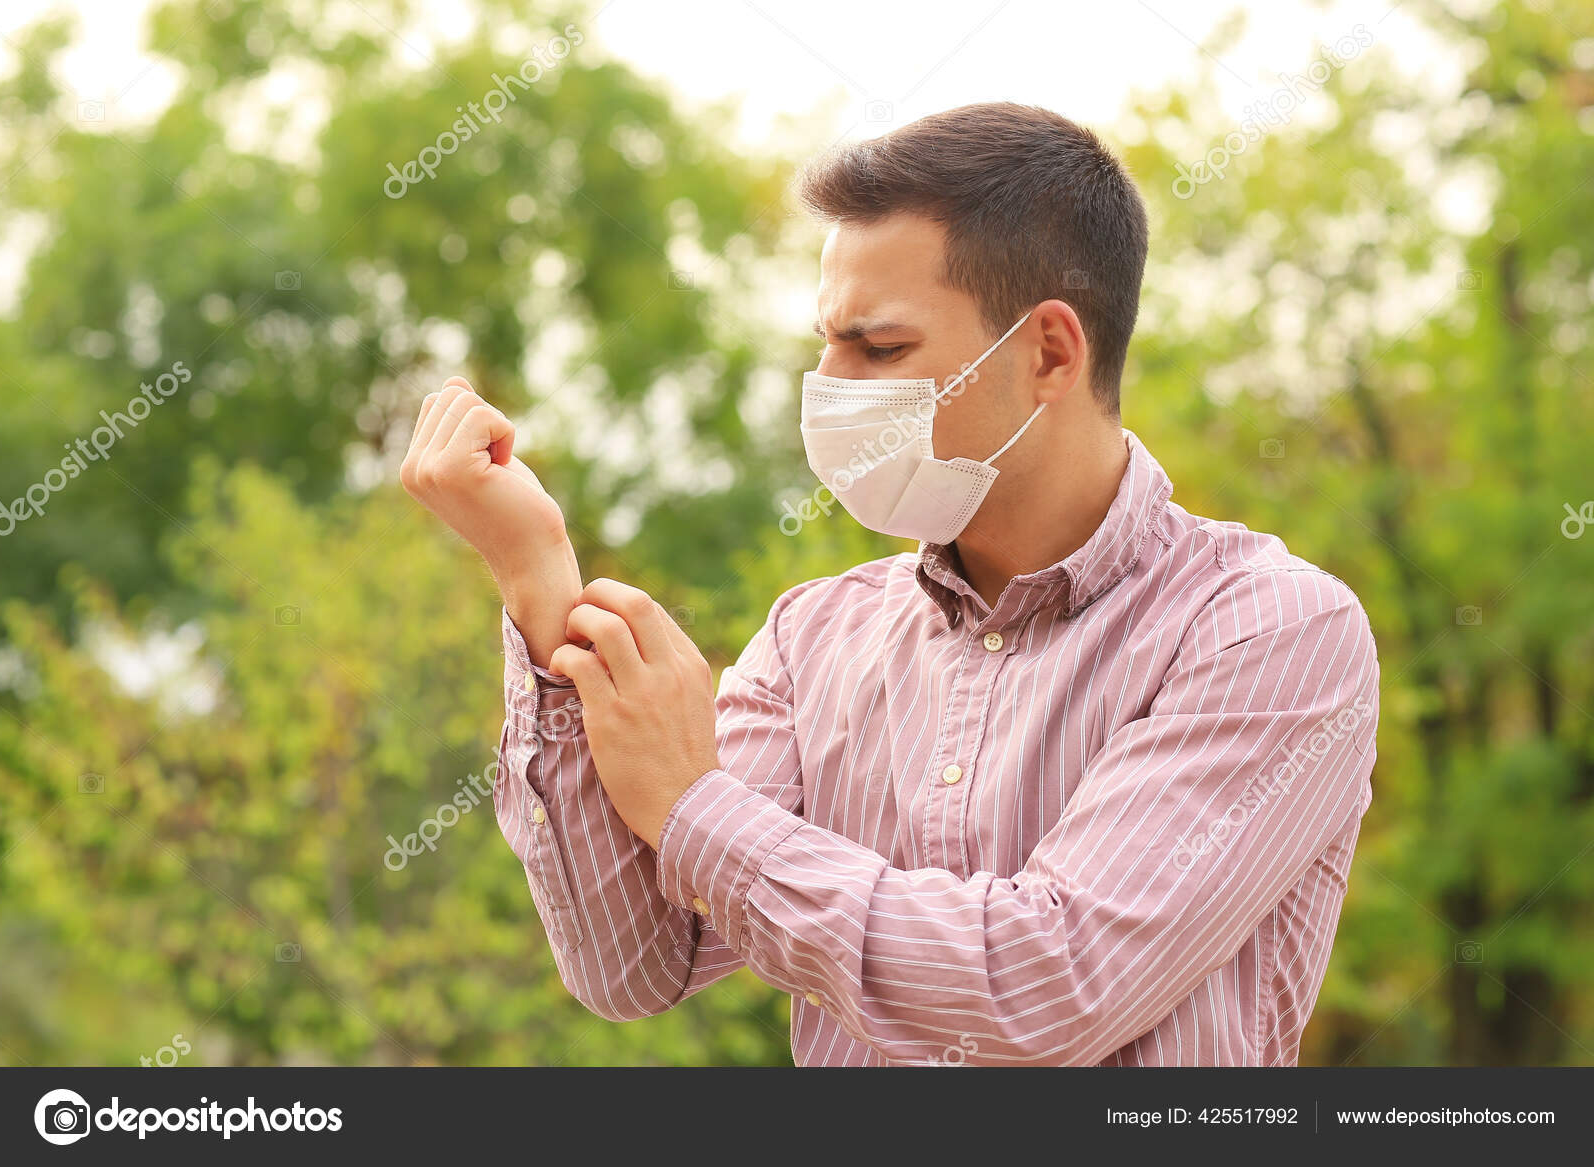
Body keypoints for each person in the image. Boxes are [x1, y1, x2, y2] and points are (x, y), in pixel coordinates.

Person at [399, 102, 1379, 1066]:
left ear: (1047, 352)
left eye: (879, 349)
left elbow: (1050, 986)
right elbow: (634, 966)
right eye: (825, 344)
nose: (827, 385)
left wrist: (696, 810)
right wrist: (536, 580)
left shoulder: (1266, 632)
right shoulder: (813, 638)